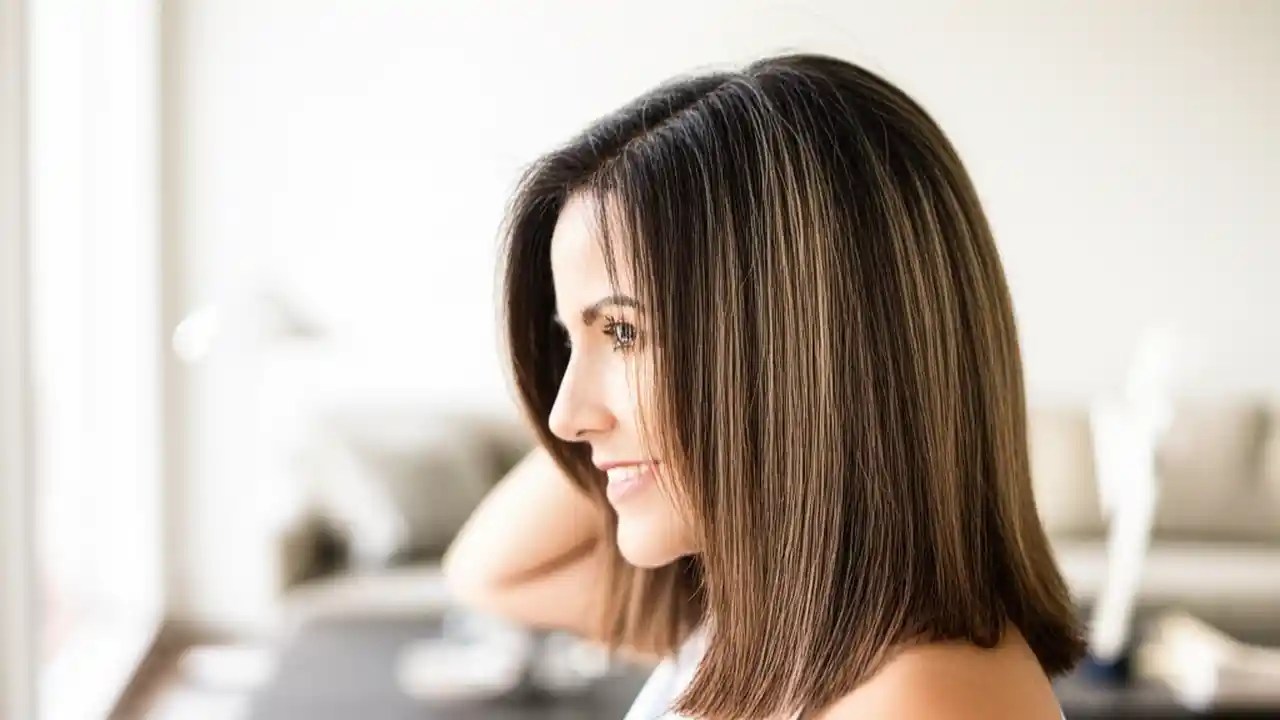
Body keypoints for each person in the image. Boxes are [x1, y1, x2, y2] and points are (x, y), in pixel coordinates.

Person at [443, 52, 1084, 719]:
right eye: (573, 340)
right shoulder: (764, 635)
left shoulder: (924, 700)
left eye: (625, 333)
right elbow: (489, 571)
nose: (566, 418)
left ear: (809, 346)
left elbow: (495, 572)